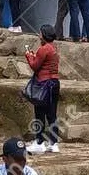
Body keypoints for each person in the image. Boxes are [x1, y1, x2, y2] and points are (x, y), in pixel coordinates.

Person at [25, 25, 60, 153]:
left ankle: (39, 142)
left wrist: (29, 56)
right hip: (55, 83)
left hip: (43, 85)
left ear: (44, 35)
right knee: (52, 115)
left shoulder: (43, 49)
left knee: (39, 114)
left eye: (40, 33)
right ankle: (53, 143)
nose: (39, 35)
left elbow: (35, 66)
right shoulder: (54, 49)